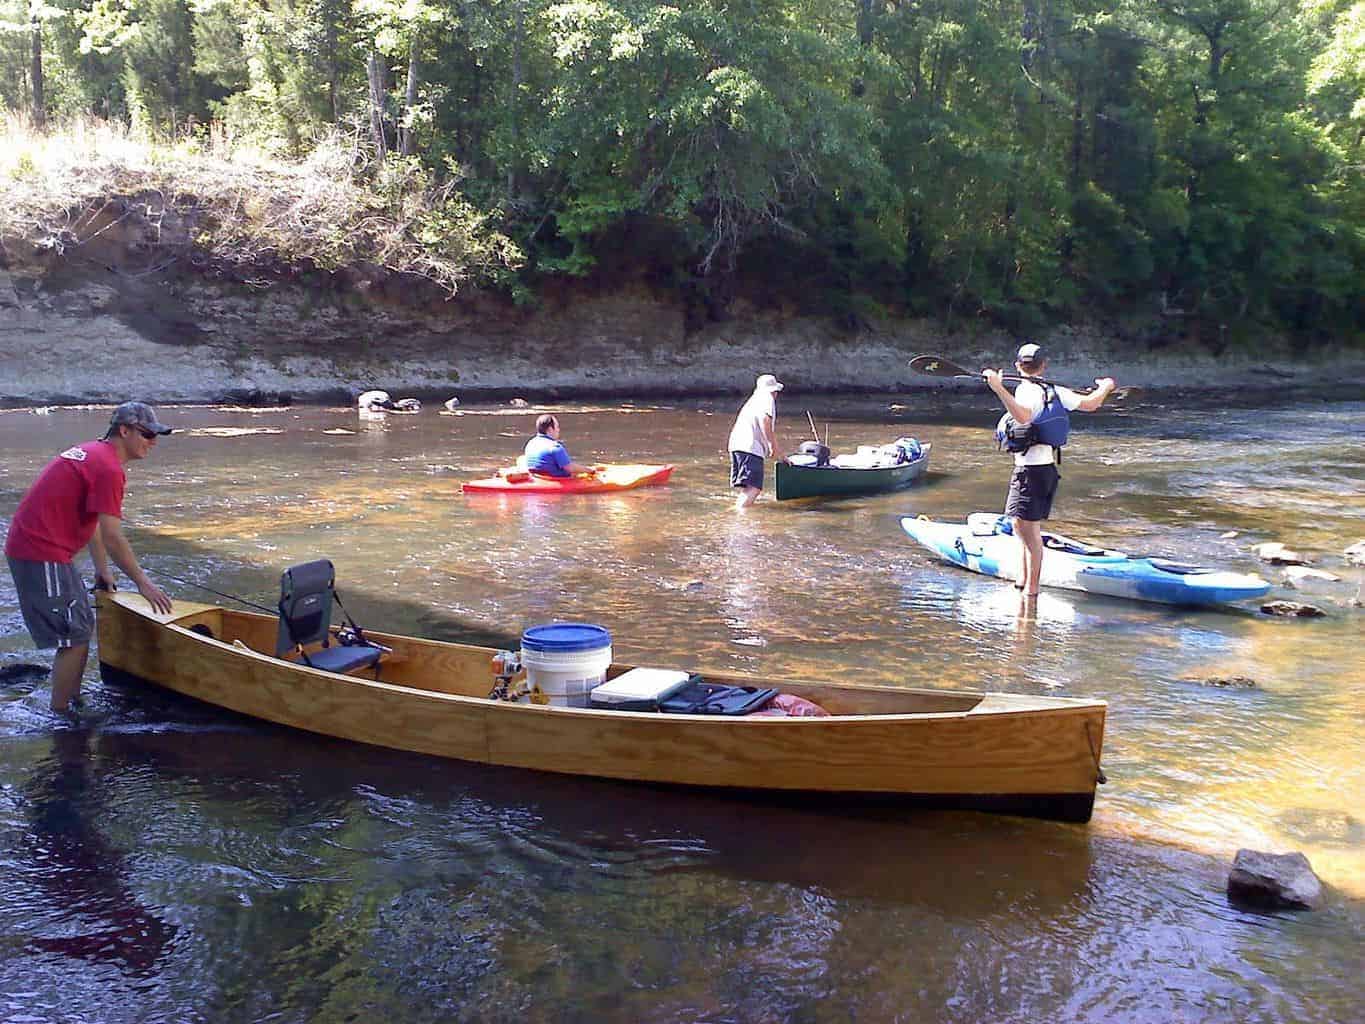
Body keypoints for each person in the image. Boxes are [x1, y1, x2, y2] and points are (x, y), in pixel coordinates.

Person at [4, 402, 175, 712]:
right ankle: (61, 714)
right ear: (124, 431)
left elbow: (92, 520)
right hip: (40, 551)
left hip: (39, 549)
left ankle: (71, 700)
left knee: (79, 627)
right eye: (148, 434)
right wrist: (143, 584)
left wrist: (102, 570)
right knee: (75, 635)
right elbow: (112, 534)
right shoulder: (108, 468)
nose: (153, 442)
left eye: (156, 436)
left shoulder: (95, 454)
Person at [984, 344, 1116, 597]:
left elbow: (1023, 417)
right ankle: (1023, 580)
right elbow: (1090, 404)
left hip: (1030, 473)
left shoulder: (1025, 391)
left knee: (1029, 533)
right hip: (1045, 470)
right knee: (1020, 526)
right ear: (1044, 365)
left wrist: (998, 388)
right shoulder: (1054, 390)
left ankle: (1031, 592)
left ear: (1017, 366)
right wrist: (1106, 386)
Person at [727, 373, 785, 509]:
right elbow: (765, 420)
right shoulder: (767, 398)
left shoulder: (754, 400)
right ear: (773, 391)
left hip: (737, 446)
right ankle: (740, 520)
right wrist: (772, 447)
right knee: (754, 488)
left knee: (748, 488)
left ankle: (739, 516)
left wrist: (781, 456)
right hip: (750, 447)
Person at [523, 414, 597, 478]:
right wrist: (590, 470)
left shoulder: (530, 443)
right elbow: (570, 468)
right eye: (557, 427)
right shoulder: (555, 447)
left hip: (538, 477)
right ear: (550, 429)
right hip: (555, 479)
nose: (558, 430)